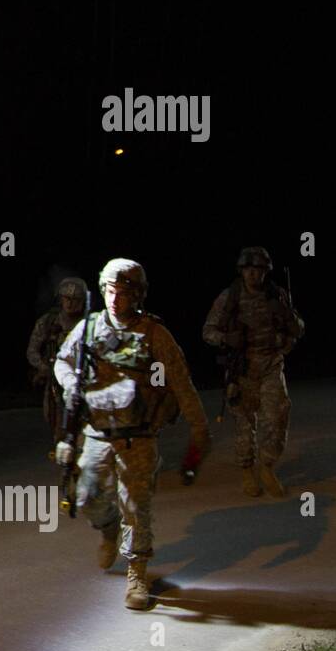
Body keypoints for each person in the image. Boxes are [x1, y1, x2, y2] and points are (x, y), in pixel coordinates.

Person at [55, 259, 211, 610]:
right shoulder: (89, 328)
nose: (115, 300)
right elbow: (62, 362)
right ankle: (108, 529)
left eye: (123, 294)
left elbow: (182, 385)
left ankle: (137, 573)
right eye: (110, 291)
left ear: (137, 296)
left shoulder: (154, 334)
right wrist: (71, 388)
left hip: (138, 436)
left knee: (136, 507)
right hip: (97, 432)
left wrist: (199, 430)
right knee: (85, 498)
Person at [202, 247, 304, 498]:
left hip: (271, 364)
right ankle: (248, 472)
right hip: (242, 370)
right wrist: (227, 338)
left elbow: (298, 329)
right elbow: (208, 332)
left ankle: (267, 466)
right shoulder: (230, 298)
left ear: (265, 272)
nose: (253, 275)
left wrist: (290, 319)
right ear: (241, 271)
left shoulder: (277, 295)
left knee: (278, 415)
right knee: (246, 425)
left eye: (258, 270)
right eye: (249, 270)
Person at [26, 277, 88, 439]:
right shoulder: (48, 322)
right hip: (54, 380)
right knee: (55, 417)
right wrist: (43, 367)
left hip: (84, 379)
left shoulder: (91, 324)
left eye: (75, 299)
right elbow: (32, 350)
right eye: (67, 298)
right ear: (60, 299)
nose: (70, 303)